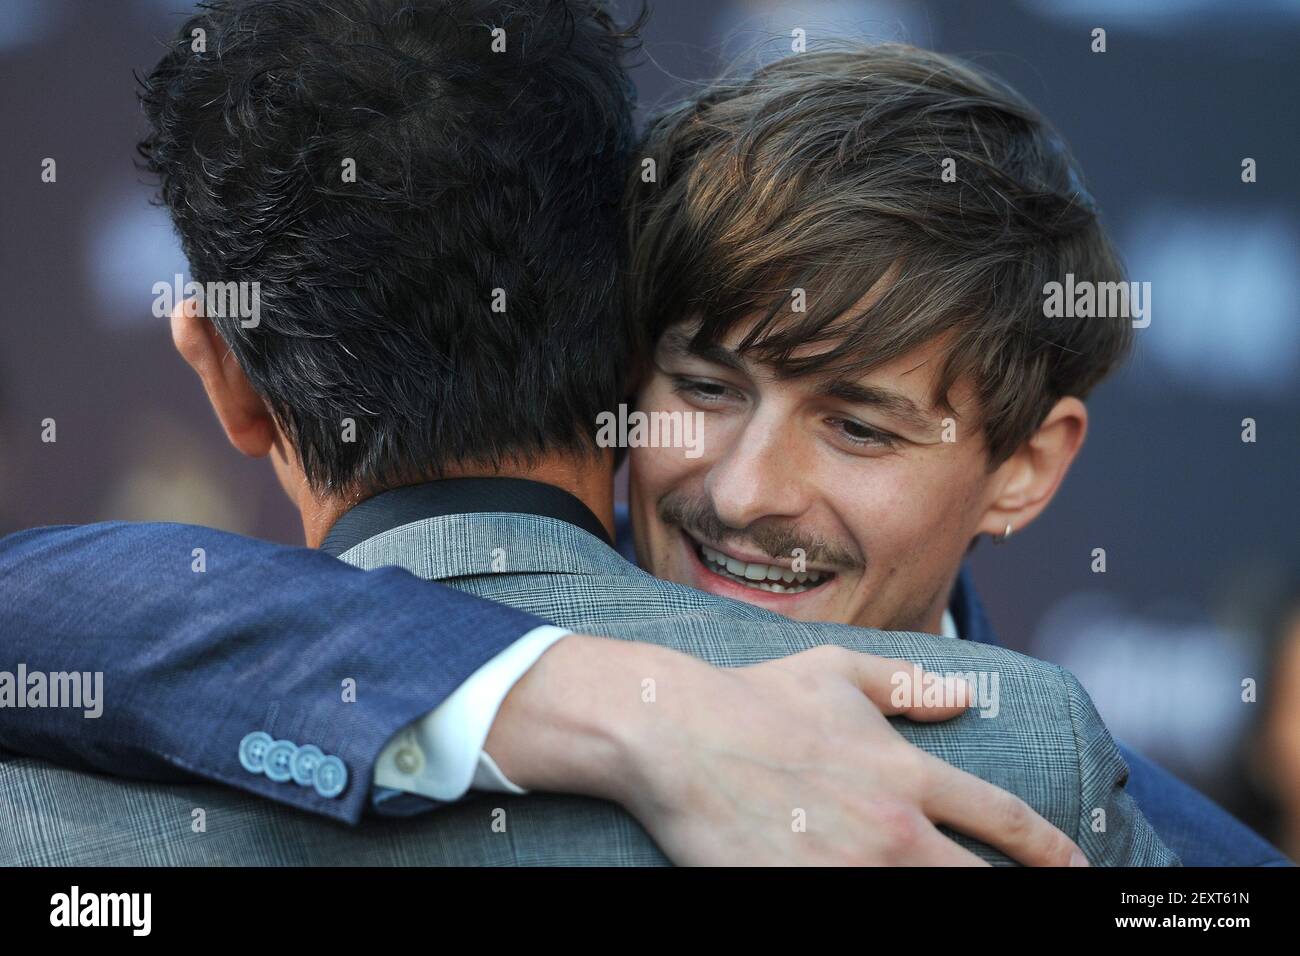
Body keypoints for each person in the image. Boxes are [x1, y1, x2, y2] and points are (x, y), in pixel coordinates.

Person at [0, 0, 1225, 865]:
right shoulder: (207, 650)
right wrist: (589, 699)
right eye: (707, 386)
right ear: (614, 342)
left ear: (1028, 464)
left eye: (858, 426)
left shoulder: (1073, 794)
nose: (747, 491)